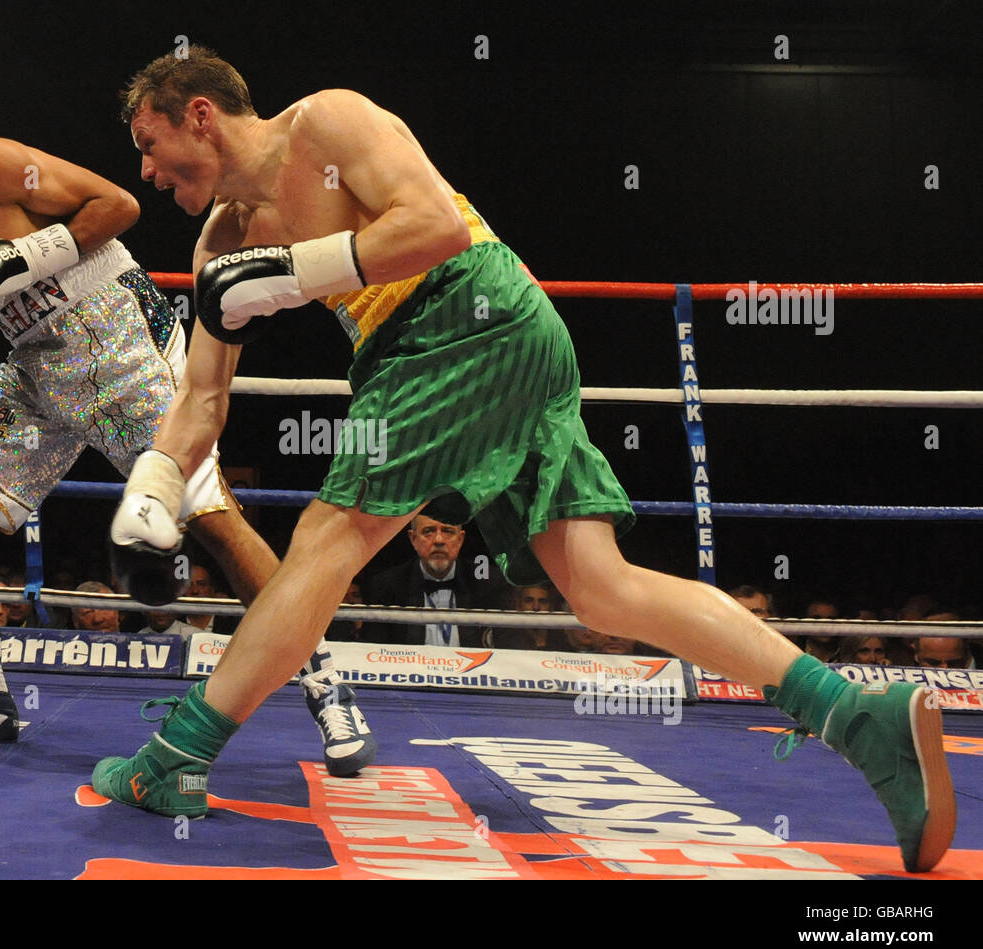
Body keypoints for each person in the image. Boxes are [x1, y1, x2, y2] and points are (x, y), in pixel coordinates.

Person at [94, 48, 954, 872]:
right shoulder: (219, 246)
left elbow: (431, 226)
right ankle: (852, 713)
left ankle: (180, 754)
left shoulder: (326, 123)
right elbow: (201, 401)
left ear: (197, 115)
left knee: (328, 538)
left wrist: (290, 271)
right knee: (600, 586)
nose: (147, 172)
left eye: (149, 144)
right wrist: (154, 488)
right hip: (484, 341)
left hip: (459, 313)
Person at [0, 99, 375, 775]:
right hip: (35, 369)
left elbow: (119, 205)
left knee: (209, 516)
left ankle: (329, 688)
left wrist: (20, 258)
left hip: (119, 340)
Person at [360, 512, 490, 646]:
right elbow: (372, 651)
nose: (439, 540)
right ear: (413, 539)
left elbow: (506, 652)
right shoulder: (387, 585)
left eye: (448, 531)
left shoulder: (488, 585)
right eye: (428, 531)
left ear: (460, 540)